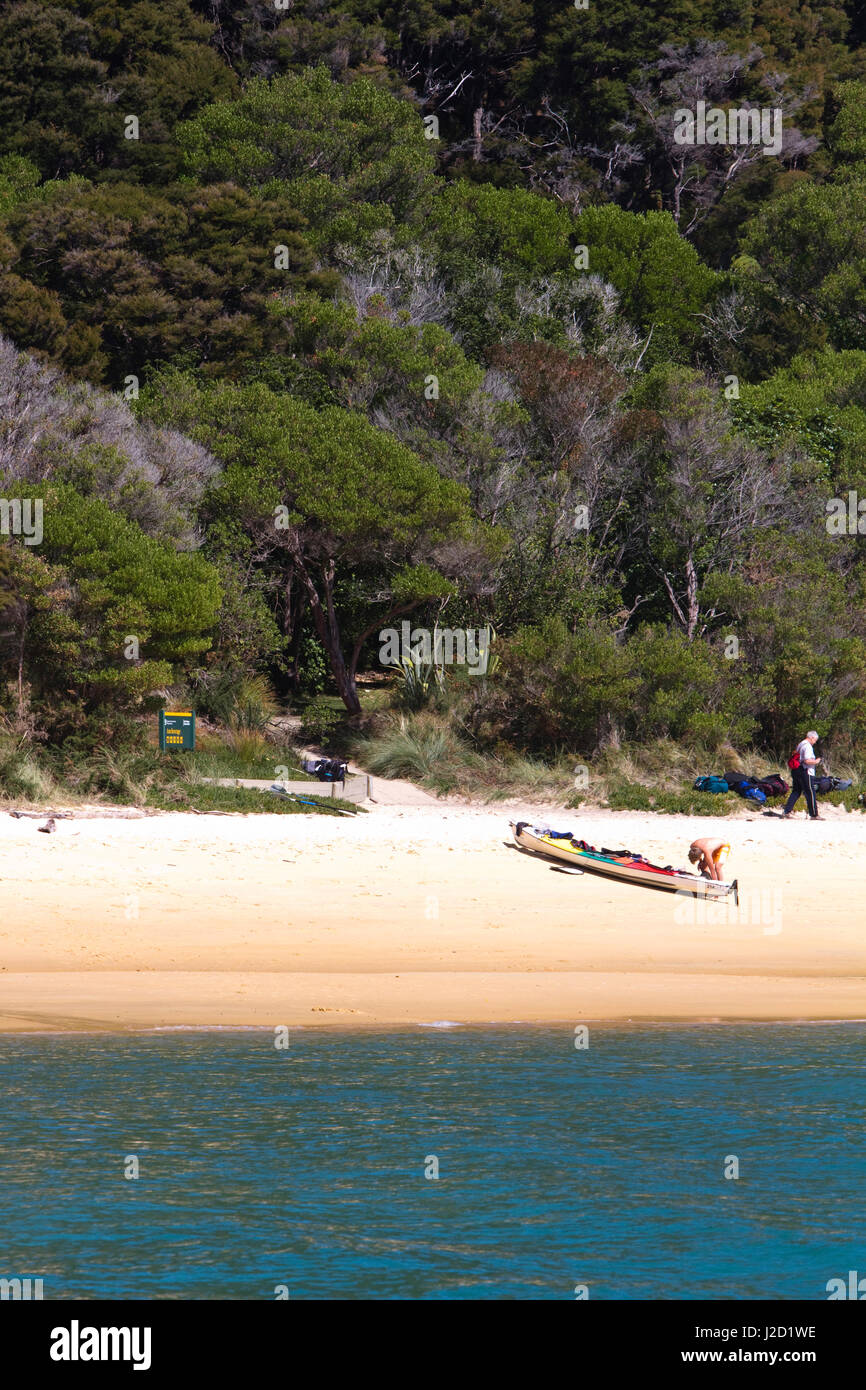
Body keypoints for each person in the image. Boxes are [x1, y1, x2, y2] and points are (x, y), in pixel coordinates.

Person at [783, 731, 822, 820]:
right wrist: (816, 761)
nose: (815, 742)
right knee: (810, 792)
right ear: (811, 737)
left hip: (796, 771)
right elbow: (807, 760)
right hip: (805, 771)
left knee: (796, 791)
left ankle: (786, 811)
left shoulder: (800, 744)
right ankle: (814, 814)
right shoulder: (807, 746)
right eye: (815, 740)